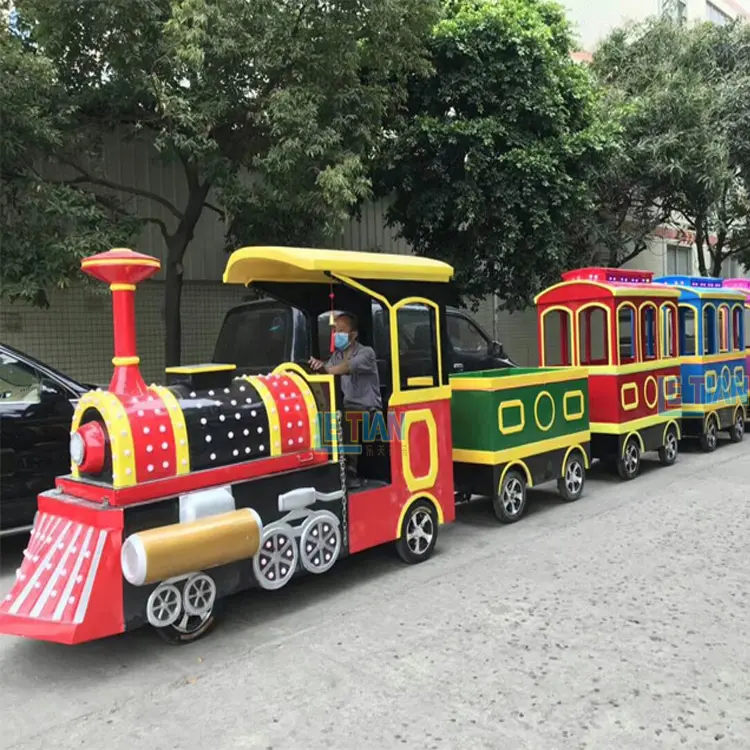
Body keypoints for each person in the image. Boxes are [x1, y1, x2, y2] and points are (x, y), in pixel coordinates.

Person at [308, 312, 382, 488]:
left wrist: (326, 369)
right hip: (348, 407)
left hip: (370, 412)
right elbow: (330, 368)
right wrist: (317, 366)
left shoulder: (366, 353)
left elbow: (346, 368)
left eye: (341, 330)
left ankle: (350, 472)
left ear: (353, 335)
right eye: (334, 330)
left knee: (347, 418)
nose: (336, 334)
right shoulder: (337, 355)